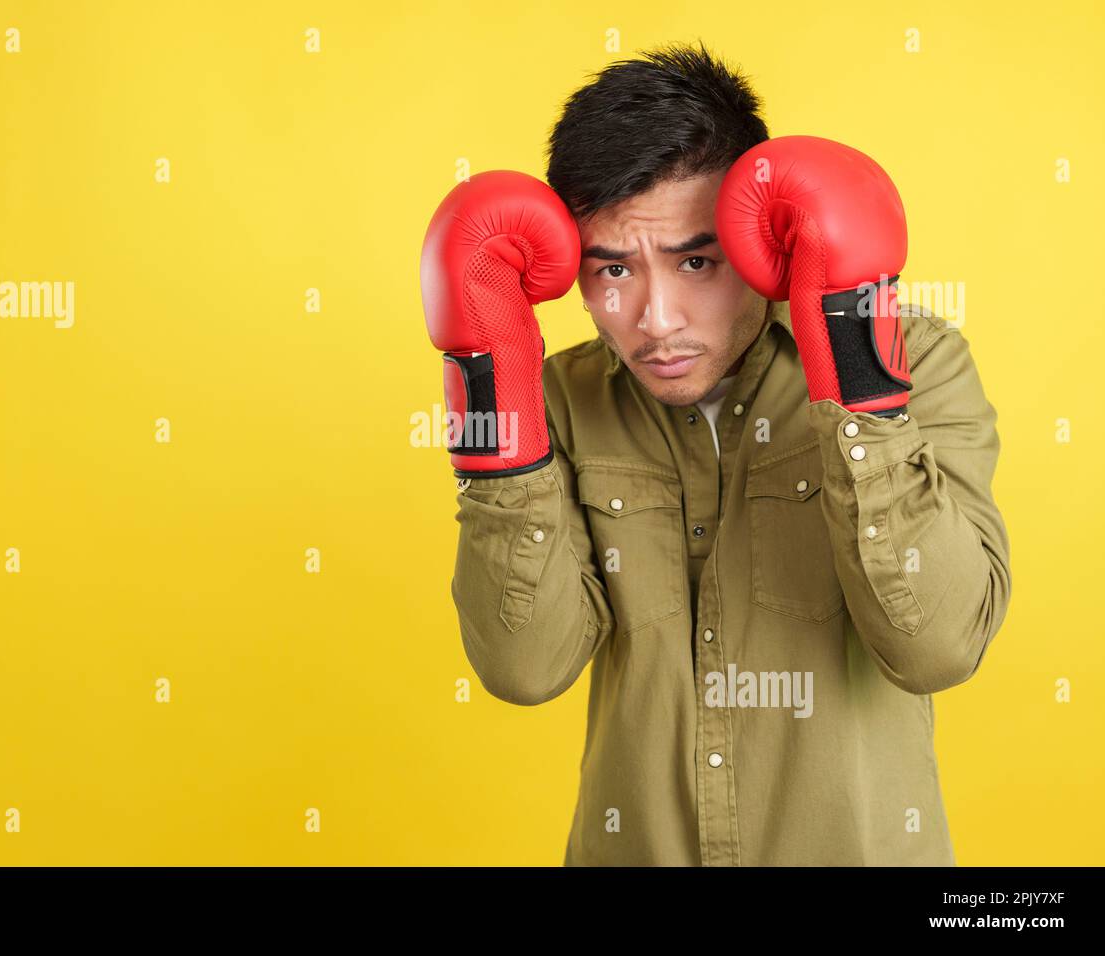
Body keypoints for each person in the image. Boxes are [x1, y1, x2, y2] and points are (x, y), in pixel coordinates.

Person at [419, 42, 1010, 866]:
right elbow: (526, 667)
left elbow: (939, 644)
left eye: (697, 261)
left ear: (759, 240)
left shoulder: (915, 362)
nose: (656, 319)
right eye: (614, 269)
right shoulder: (558, 399)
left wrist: (855, 367)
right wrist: (493, 395)